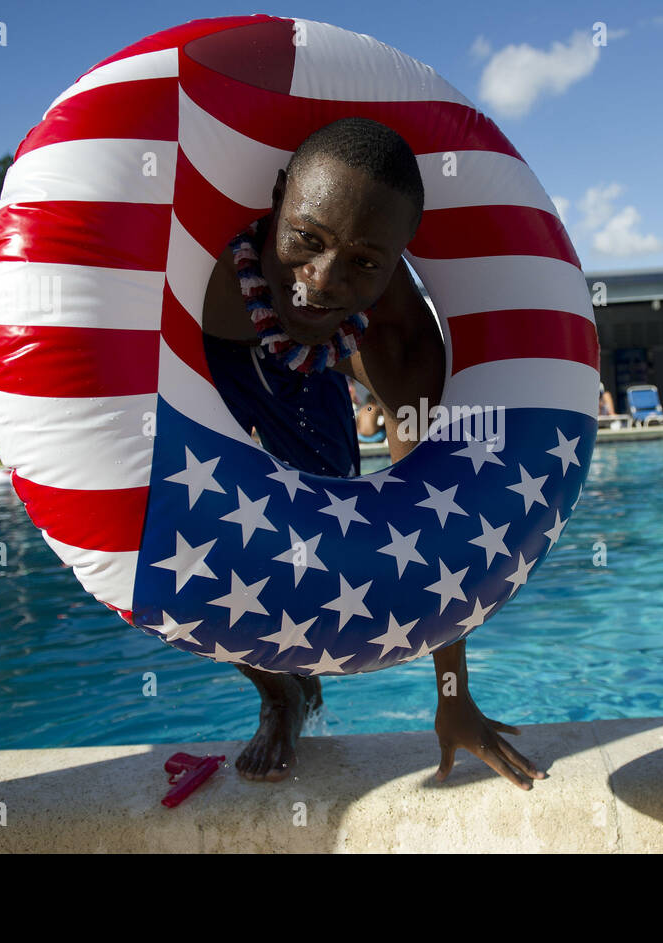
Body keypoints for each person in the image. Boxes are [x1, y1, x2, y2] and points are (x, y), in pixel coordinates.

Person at [201, 117, 543, 790]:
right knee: (196, 543)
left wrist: (453, 697)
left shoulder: (395, 343)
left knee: (319, 551)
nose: (323, 282)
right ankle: (278, 692)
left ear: (398, 260)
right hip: (201, 360)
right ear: (276, 199)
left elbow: (432, 519)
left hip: (312, 379)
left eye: (364, 263)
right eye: (307, 240)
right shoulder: (193, 272)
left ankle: (299, 682)